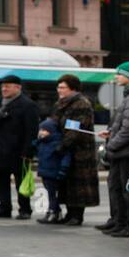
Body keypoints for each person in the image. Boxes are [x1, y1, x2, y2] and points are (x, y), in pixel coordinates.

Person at [97, 61, 129, 237]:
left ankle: (127, 225)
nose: (116, 77)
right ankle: (118, 222)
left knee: (126, 190)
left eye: (119, 73)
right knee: (116, 187)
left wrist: (111, 144)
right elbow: (123, 125)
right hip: (124, 150)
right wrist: (111, 132)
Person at [0, 73, 39, 218]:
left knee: (21, 181)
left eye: (7, 86)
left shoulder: (28, 105)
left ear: (18, 87)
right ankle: (4, 208)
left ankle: (25, 209)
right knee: (0, 181)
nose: (4, 89)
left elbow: (32, 130)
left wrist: (28, 151)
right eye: (2, 86)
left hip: (18, 151)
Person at [48, 74, 100, 226]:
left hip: (80, 151)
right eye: (58, 87)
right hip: (65, 149)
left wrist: (64, 145)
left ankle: (77, 215)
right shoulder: (60, 104)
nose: (59, 90)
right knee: (66, 183)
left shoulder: (81, 104)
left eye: (63, 87)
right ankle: (69, 213)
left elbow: (76, 129)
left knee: (79, 184)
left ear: (73, 88)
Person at [34, 116, 69, 223]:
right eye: (40, 130)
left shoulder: (57, 143)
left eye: (45, 130)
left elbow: (66, 156)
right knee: (50, 193)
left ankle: (53, 212)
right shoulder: (42, 143)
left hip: (54, 172)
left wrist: (63, 168)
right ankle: (54, 211)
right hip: (45, 172)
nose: (41, 132)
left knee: (52, 194)